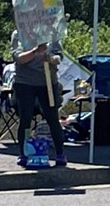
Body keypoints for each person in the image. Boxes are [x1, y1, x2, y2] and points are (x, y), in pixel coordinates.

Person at [10, 30, 67, 167]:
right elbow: (18, 57)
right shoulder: (19, 33)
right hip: (25, 82)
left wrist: (53, 59)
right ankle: (23, 153)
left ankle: (60, 153)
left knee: (52, 117)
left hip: (47, 81)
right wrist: (36, 51)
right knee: (26, 118)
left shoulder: (51, 33)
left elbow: (59, 56)